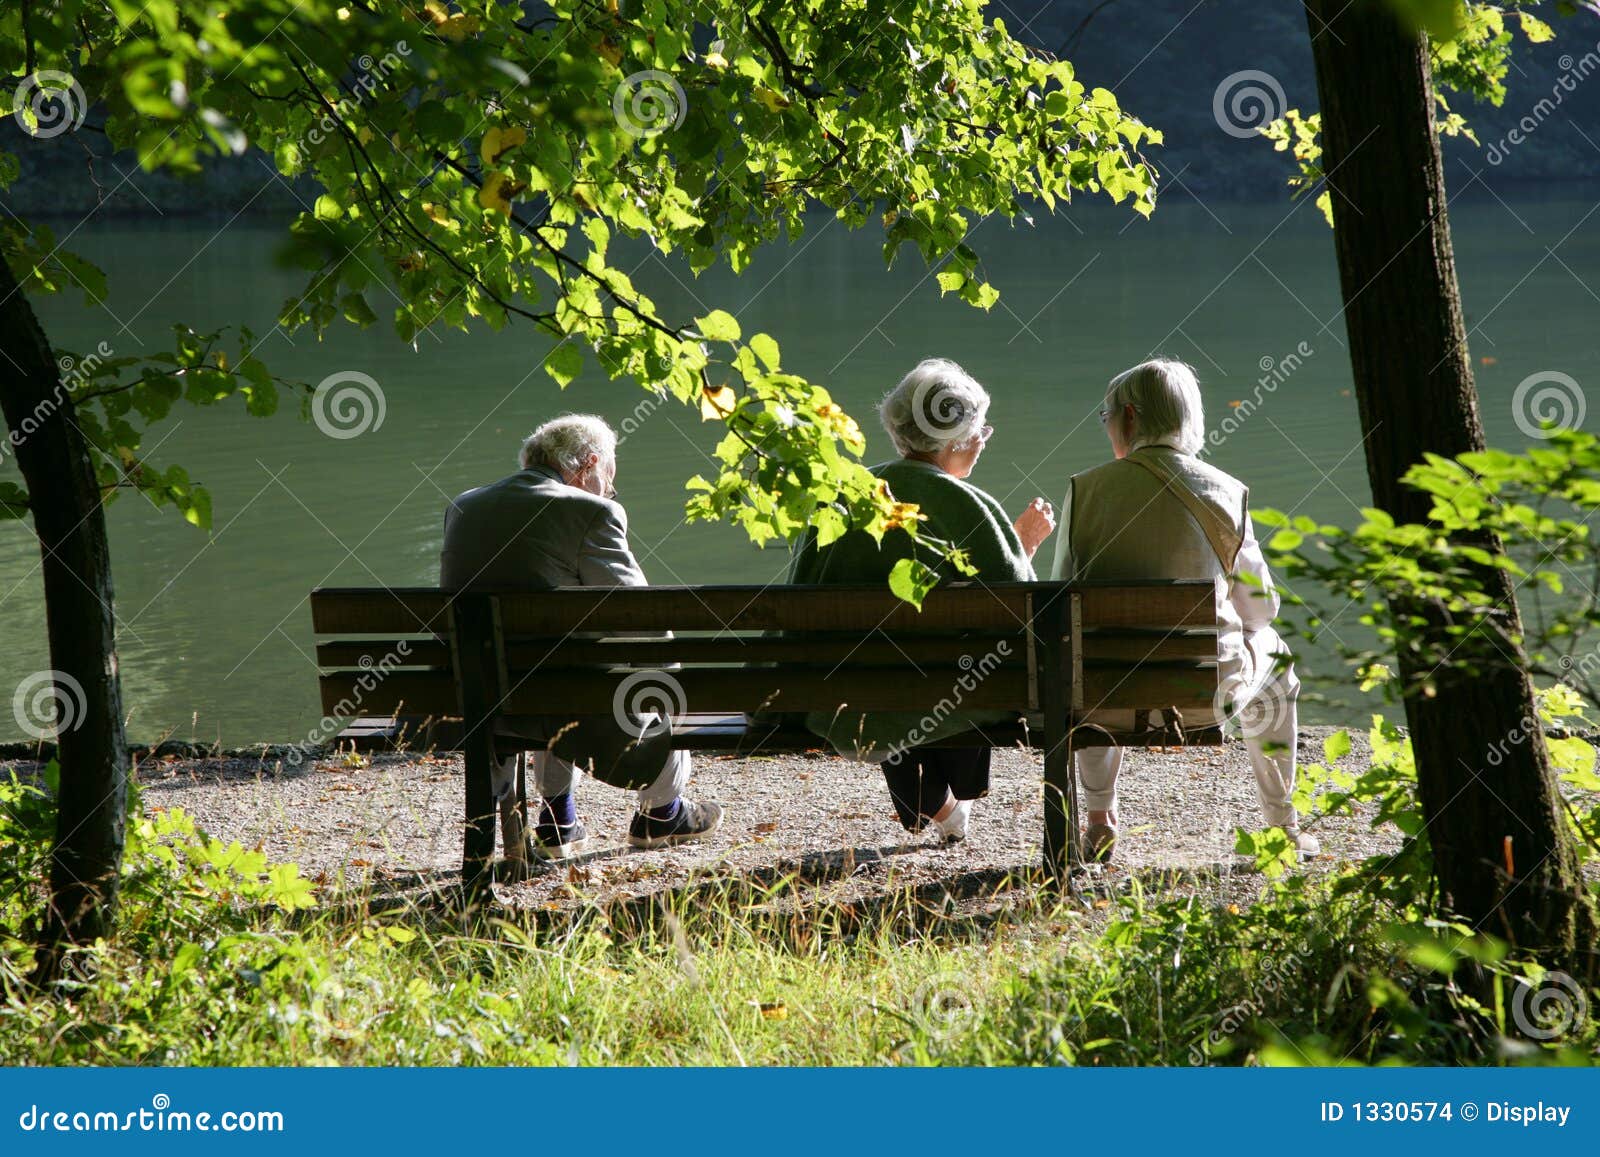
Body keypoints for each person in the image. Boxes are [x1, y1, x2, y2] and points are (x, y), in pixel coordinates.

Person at [1049, 358, 1317, 862]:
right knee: (1276, 654)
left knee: (1091, 650)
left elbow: (1062, 601)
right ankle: (1284, 829)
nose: (1106, 426)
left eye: (1105, 416)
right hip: (1206, 698)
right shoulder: (1226, 491)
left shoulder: (1085, 490)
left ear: (1130, 417)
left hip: (1104, 696)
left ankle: (1100, 817)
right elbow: (1259, 613)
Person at [788, 358, 1055, 843]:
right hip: (954, 696)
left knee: (888, 667)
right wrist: (1026, 546)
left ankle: (935, 802)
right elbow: (1022, 610)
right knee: (957, 662)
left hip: (845, 698)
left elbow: (795, 602)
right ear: (955, 440)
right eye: (980, 431)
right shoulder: (970, 504)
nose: (982, 442)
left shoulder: (845, 498)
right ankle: (944, 798)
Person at [439, 414, 721, 861]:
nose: (610, 489)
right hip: (565, 695)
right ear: (589, 464)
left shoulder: (464, 506)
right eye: (609, 476)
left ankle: (558, 819)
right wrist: (670, 675)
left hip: (478, 697)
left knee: (553, 669)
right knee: (657, 677)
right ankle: (662, 811)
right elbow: (639, 617)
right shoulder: (591, 511)